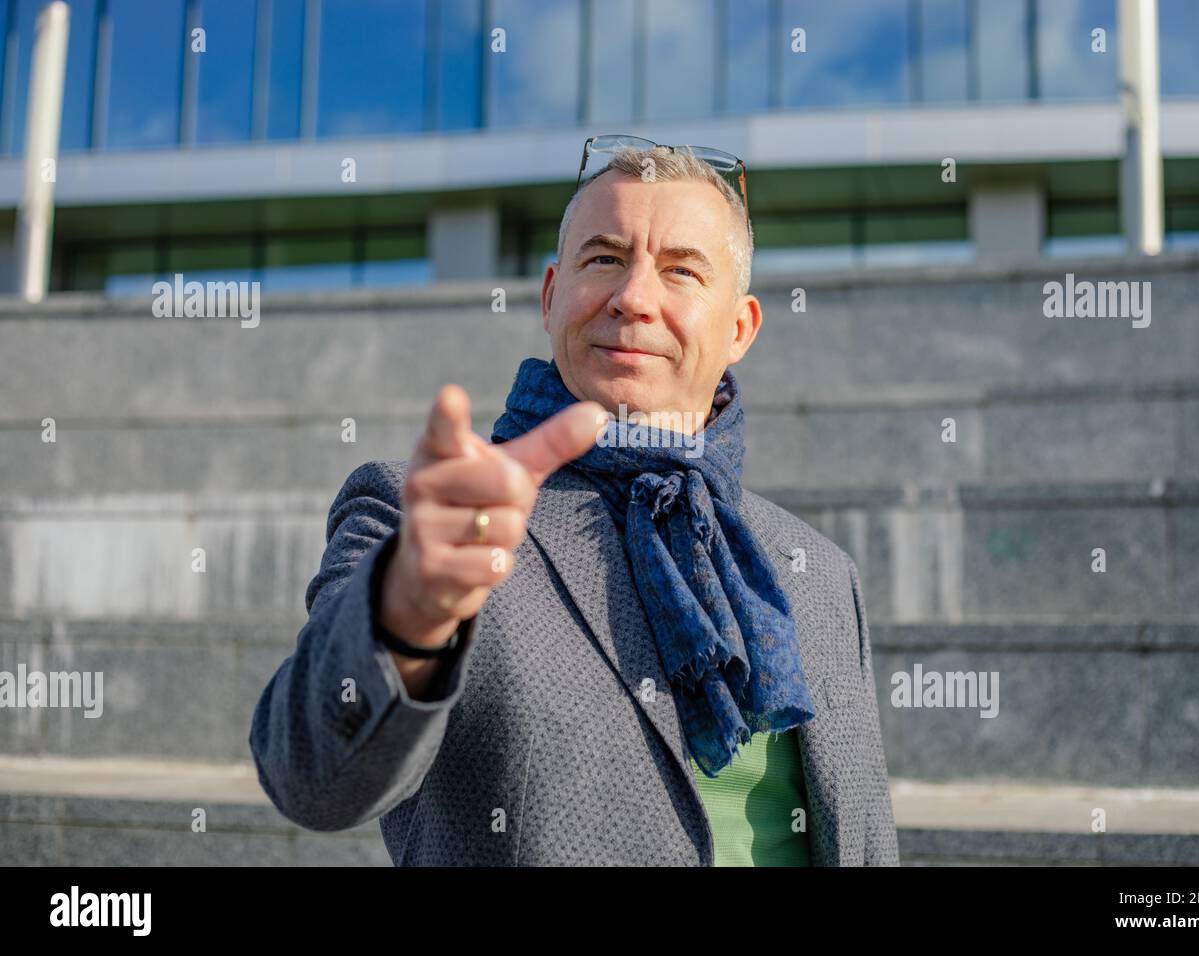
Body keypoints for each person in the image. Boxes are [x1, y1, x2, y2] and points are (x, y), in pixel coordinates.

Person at [249, 140, 898, 866]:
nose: (635, 297)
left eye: (682, 270)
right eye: (603, 259)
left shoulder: (819, 573)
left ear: (740, 328)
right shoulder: (421, 520)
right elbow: (311, 782)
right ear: (552, 294)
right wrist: (410, 611)